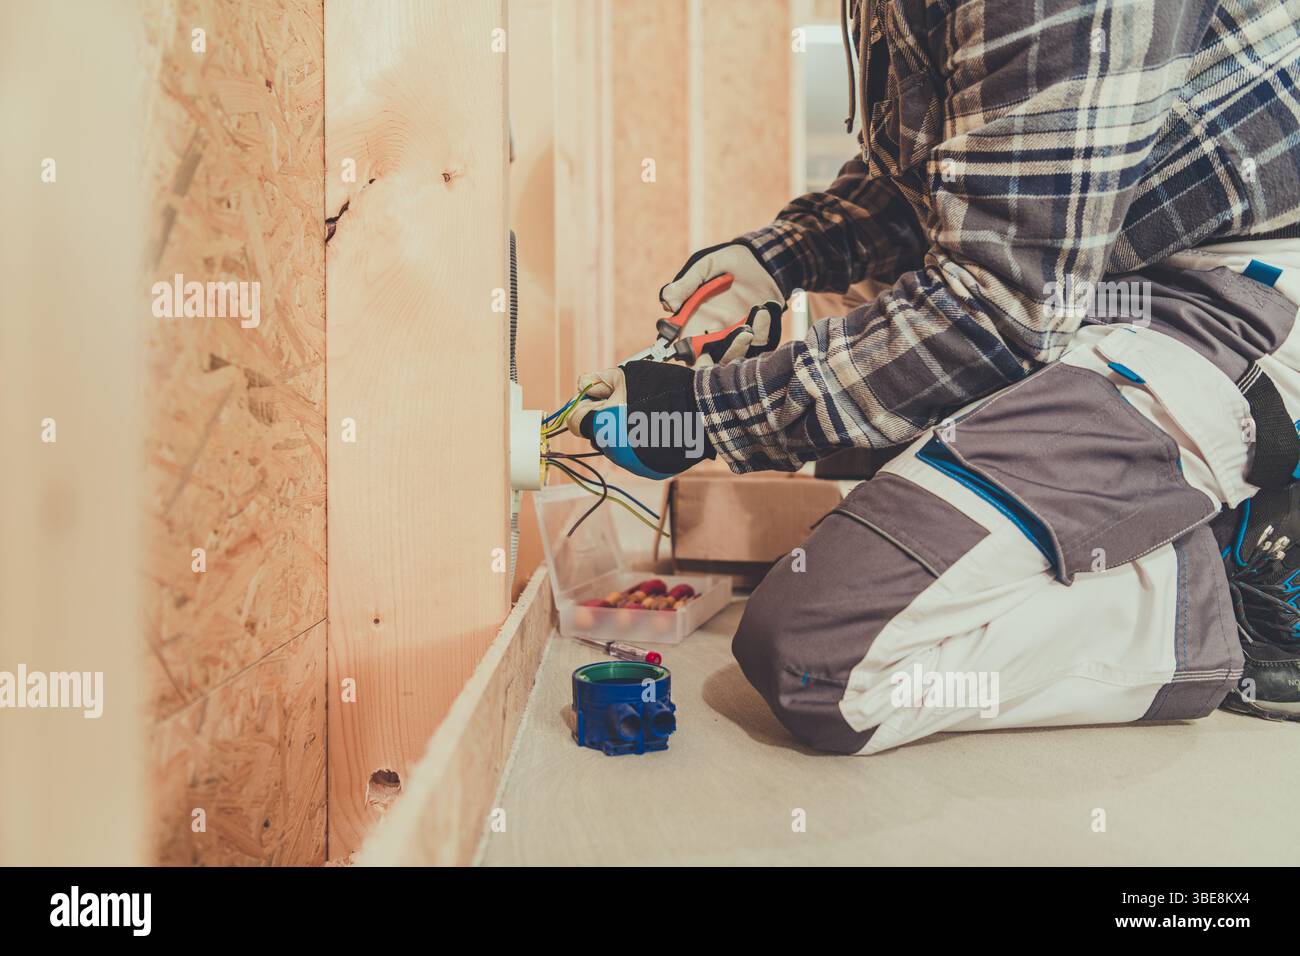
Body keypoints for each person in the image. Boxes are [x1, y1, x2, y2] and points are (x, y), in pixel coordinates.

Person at [568, 0, 1300, 753]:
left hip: (1230, 294)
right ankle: (1108, 511)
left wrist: (706, 414)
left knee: (824, 660)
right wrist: (780, 257)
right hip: (1095, 269)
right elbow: (952, 174)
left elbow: (1000, 302)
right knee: (865, 370)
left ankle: (1225, 589)